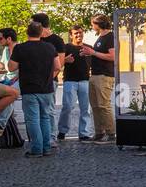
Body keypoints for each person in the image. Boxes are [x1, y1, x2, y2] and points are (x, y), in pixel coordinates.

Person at [10, 20, 63, 157]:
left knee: (32, 119)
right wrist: (48, 77)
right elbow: (57, 66)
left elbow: (11, 67)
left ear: (27, 33)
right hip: (47, 88)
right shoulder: (50, 47)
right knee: (45, 118)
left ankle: (36, 148)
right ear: (41, 33)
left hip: (29, 88)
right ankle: (46, 147)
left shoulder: (20, 48)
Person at [32, 12, 66, 146]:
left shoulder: (57, 40)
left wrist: (47, 79)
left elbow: (60, 63)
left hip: (50, 81)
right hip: (35, 80)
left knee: (49, 110)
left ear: (39, 24)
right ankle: (40, 138)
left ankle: (51, 137)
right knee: (37, 111)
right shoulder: (35, 39)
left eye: (32, 23)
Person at [84, 15, 116, 143]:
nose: (92, 26)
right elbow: (98, 54)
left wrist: (93, 53)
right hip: (95, 74)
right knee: (95, 106)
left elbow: (113, 56)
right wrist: (89, 53)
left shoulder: (110, 37)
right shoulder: (100, 37)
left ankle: (111, 133)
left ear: (99, 24)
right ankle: (99, 132)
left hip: (104, 75)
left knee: (103, 105)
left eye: (93, 24)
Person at [58, 24, 93, 140]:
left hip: (85, 81)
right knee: (67, 107)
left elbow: (93, 63)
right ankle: (62, 131)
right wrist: (66, 60)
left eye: (80, 32)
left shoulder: (88, 48)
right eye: (76, 33)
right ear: (71, 35)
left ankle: (84, 133)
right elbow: (58, 62)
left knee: (85, 109)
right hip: (70, 81)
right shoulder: (65, 47)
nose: (79, 35)